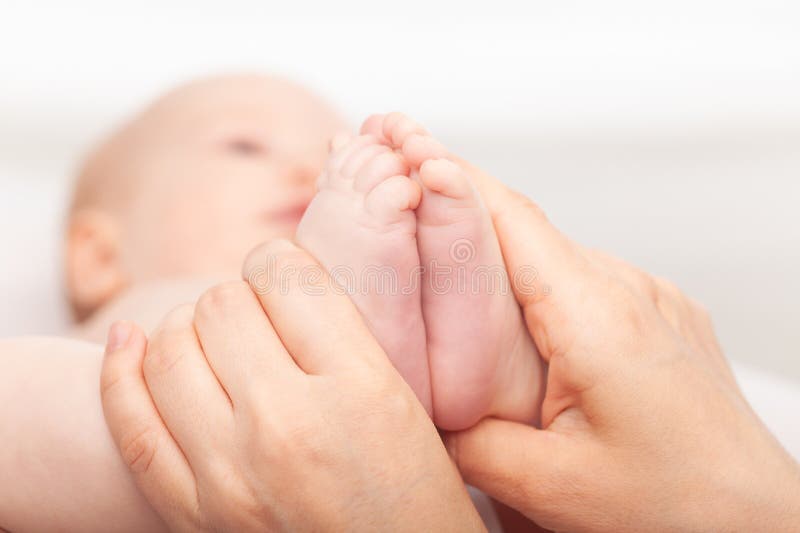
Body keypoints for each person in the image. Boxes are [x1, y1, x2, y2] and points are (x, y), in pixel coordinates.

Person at [101, 114, 800, 531]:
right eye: (243, 147)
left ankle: (476, 367)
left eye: (324, 157)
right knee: (109, 388)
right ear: (96, 253)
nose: (302, 167)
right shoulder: (131, 307)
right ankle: (433, 358)